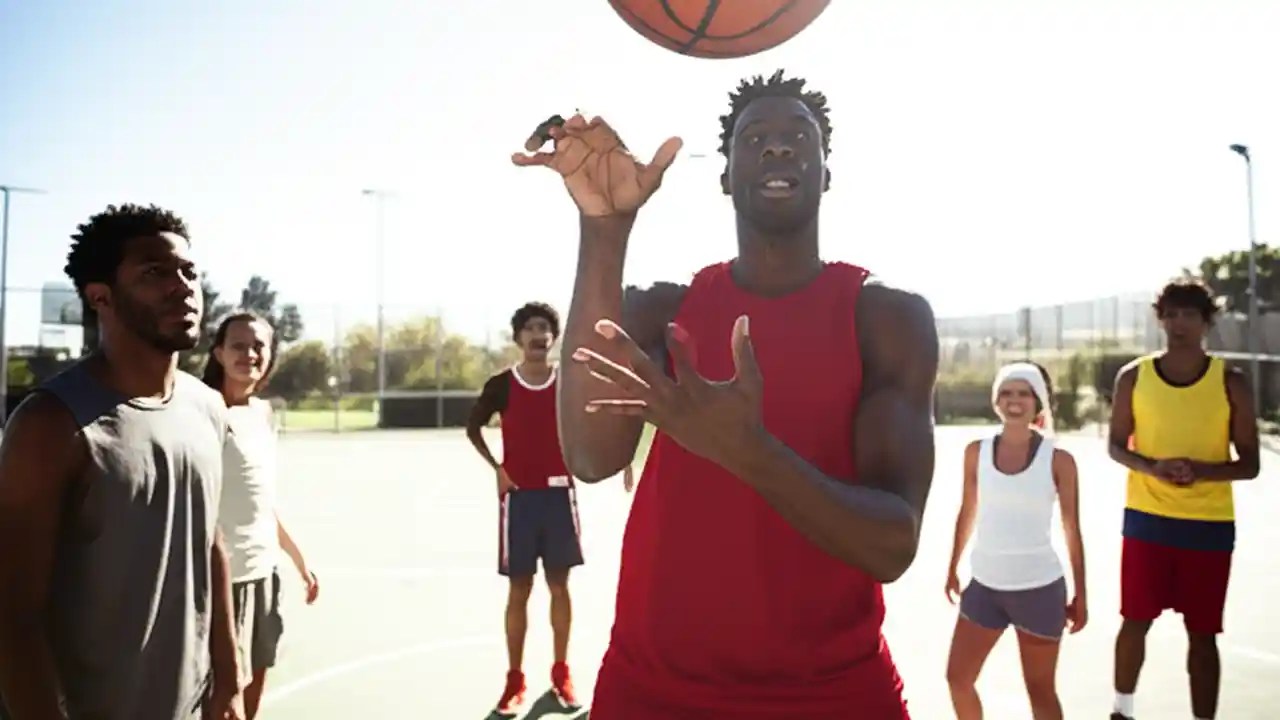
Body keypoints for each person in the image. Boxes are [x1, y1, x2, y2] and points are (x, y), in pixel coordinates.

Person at [514, 70, 940, 718]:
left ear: (825, 172)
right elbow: (592, 457)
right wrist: (605, 230)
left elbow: (892, 546)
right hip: (654, 691)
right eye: (755, 137)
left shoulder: (885, 318)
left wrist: (750, 453)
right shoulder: (665, 309)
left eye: (799, 135)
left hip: (833, 694)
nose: (777, 147)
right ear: (725, 175)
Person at [0, 204, 243, 719]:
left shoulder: (207, 407)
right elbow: (12, 615)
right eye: (154, 272)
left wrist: (230, 676)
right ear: (100, 296)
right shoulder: (50, 425)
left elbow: (211, 541)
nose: (183, 287)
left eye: (188, 271)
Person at [1107, 279, 1260, 720]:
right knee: (1134, 621)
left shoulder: (1232, 382)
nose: (1178, 323)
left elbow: (1249, 463)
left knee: (1203, 635)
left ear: (1206, 322)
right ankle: (1122, 710)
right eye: (1171, 314)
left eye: (1189, 315)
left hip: (1208, 526)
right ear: (1161, 319)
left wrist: (1202, 471)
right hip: (1145, 520)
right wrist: (1152, 467)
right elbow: (1117, 446)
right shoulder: (1133, 377)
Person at [944, 362, 1087, 720]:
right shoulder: (975, 452)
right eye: (1006, 393)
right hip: (985, 589)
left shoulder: (1060, 461)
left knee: (1040, 692)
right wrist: (951, 568)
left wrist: (1081, 593)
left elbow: (1072, 528)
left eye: (1024, 393)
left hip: (1039, 591)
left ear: (1038, 402)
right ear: (995, 401)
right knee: (957, 679)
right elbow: (967, 511)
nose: (1014, 400)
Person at [465, 302, 583, 715]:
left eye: (545, 329)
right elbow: (472, 426)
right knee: (520, 589)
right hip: (519, 499)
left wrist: (609, 460)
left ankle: (562, 676)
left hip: (558, 497)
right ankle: (514, 681)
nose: (539, 335)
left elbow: (592, 418)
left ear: (553, 338)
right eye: (531, 328)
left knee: (559, 587)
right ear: (518, 338)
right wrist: (497, 468)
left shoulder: (567, 382)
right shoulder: (502, 385)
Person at [202, 312, 320, 720]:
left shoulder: (263, 413)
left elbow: (263, 499)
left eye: (258, 346)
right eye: (237, 345)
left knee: (254, 687)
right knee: (219, 699)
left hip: (263, 574)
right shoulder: (203, 413)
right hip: (218, 583)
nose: (249, 354)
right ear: (218, 352)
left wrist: (297, 558)